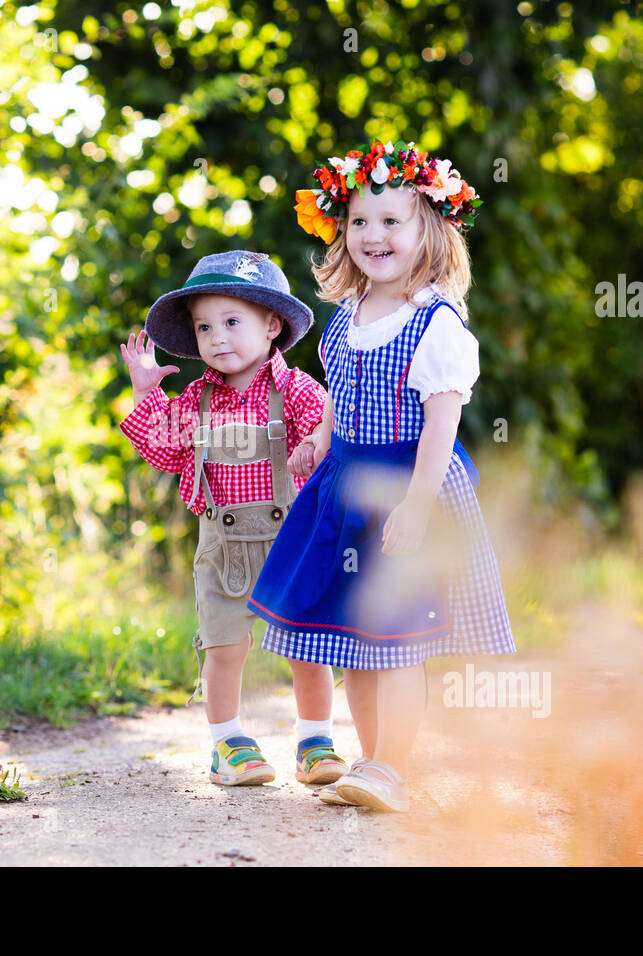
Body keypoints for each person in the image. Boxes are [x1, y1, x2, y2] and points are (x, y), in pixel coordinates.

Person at [247, 141, 515, 811]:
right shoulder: (348, 317)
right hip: (345, 485)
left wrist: (419, 505)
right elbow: (343, 395)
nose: (373, 236)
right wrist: (317, 437)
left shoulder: (437, 324)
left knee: (398, 638)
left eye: (392, 221)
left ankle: (392, 766)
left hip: (406, 486)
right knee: (354, 639)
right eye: (360, 223)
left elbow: (441, 425)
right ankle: (371, 764)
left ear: (431, 229)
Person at [118, 250, 348, 788]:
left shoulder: (295, 391)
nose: (217, 338)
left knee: (307, 646)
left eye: (231, 322)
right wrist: (146, 391)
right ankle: (228, 742)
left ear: (271, 326)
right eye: (204, 327)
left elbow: (327, 430)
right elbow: (162, 449)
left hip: (290, 538)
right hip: (221, 546)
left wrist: (315, 445)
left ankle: (315, 740)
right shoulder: (196, 399)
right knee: (223, 647)